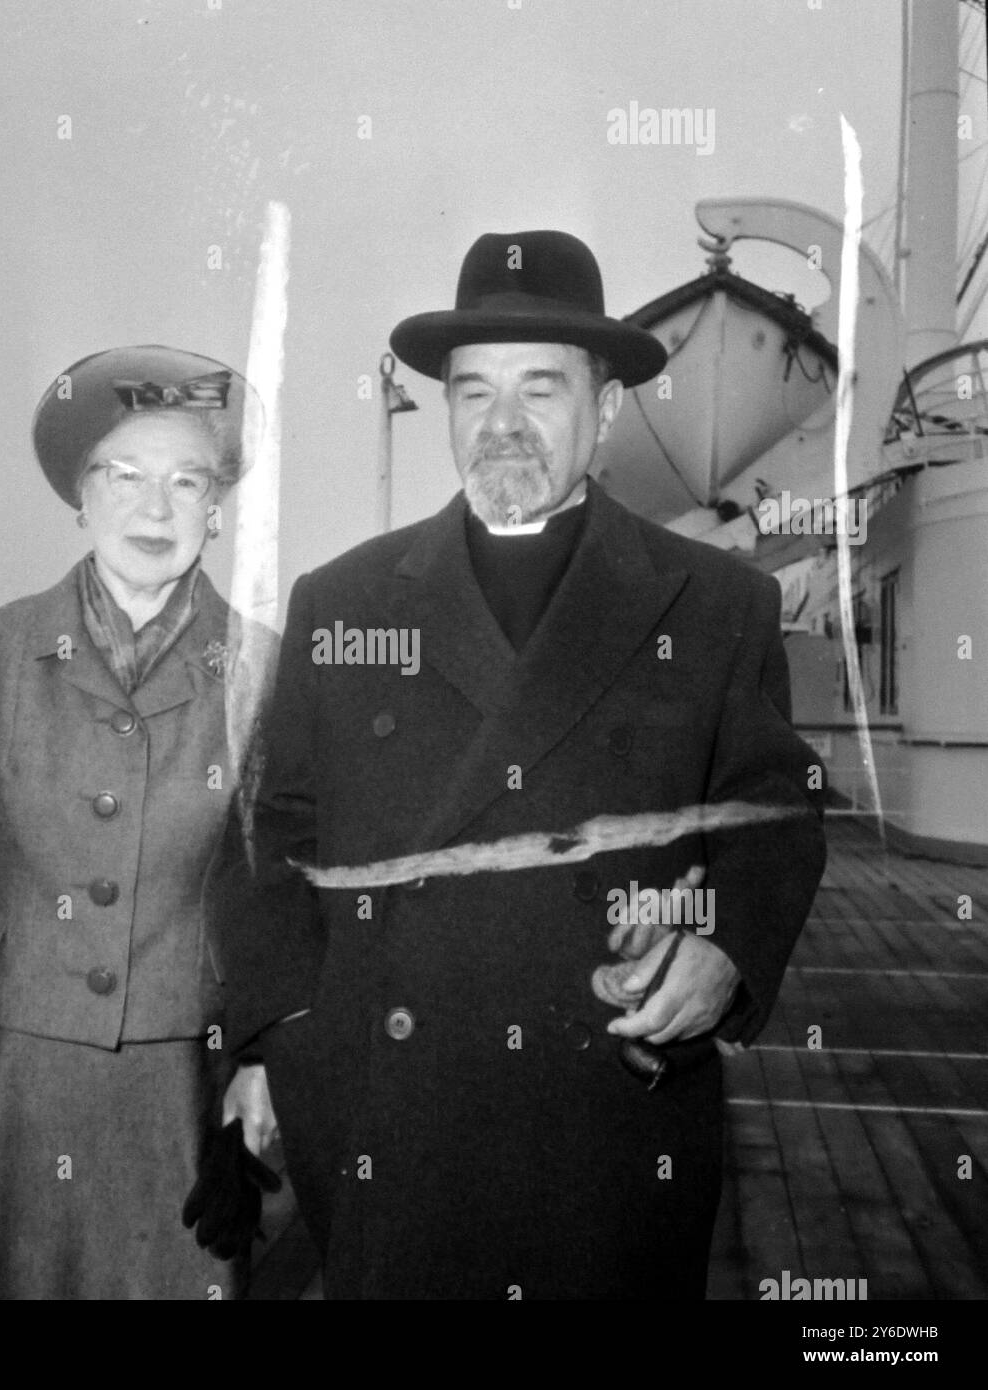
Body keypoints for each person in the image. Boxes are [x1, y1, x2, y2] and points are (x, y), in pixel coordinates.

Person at [211, 231, 827, 1299]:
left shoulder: (715, 603)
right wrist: (276, 1044)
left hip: (609, 1131)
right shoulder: (344, 602)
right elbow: (272, 838)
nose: (501, 424)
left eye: (540, 387)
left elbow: (779, 809)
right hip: (390, 1132)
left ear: (609, 406)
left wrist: (726, 942)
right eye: (471, 391)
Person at [0, 345, 275, 1299]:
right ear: (80, 496)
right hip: (18, 1057)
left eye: (186, 481)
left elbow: (282, 889)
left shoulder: (261, 668)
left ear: (216, 505)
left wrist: (263, 1064)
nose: (156, 509)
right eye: (126, 477)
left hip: (185, 1063)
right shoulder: (2, 649)